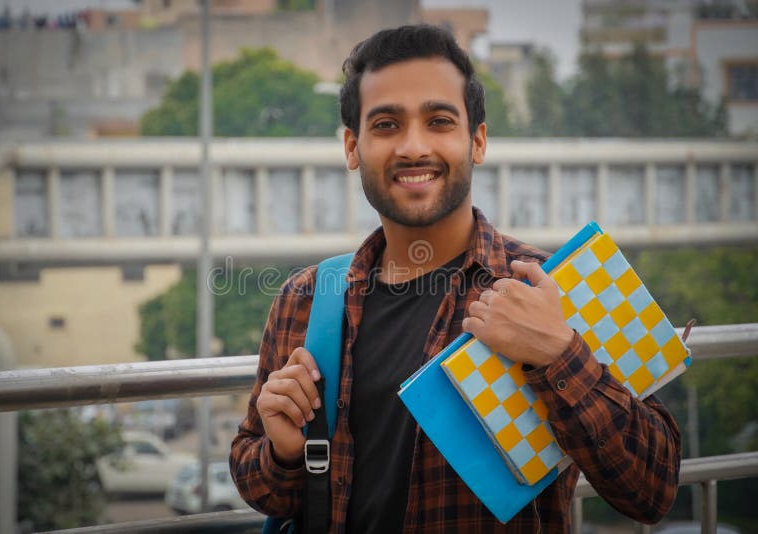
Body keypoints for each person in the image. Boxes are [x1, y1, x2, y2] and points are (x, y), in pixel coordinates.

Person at [230, 24, 681, 533]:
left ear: (478, 141)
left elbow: (653, 488)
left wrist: (558, 353)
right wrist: (284, 454)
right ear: (353, 148)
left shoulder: (552, 288)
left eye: (440, 121)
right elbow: (262, 487)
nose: (413, 147)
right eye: (386, 125)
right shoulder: (307, 300)